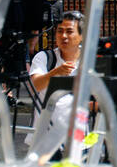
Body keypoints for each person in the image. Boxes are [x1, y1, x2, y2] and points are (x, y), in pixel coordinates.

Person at [28, 10, 86, 154]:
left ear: (81, 36)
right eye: (60, 31)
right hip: (43, 142)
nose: (63, 36)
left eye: (69, 31)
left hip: (77, 142)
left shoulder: (89, 62)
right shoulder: (45, 58)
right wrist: (56, 73)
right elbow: (35, 85)